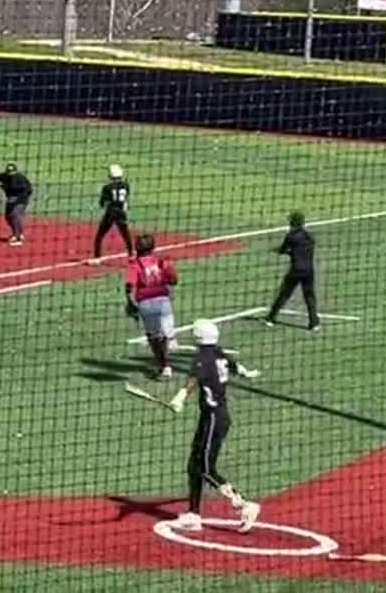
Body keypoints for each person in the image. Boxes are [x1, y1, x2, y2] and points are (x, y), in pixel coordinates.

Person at [165, 319, 262, 533]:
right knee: (194, 464)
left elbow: (194, 379)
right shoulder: (219, 353)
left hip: (213, 419)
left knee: (206, 467)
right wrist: (247, 373)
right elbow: (236, 366)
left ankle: (244, 504)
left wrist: (180, 397)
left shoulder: (203, 357)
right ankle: (193, 514)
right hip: (214, 417)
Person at [124, 234, 179, 380]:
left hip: (146, 303)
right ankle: (169, 341)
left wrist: (129, 303)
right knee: (165, 335)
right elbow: (173, 280)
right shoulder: (161, 261)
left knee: (153, 336)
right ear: (153, 247)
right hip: (163, 300)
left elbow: (130, 285)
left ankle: (164, 366)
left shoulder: (134, 263)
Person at [264, 211, 320, 332]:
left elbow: (284, 249)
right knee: (310, 296)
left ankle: (270, 318)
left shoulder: (291, 236)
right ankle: (314, 323)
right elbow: (302, 251)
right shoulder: (309, 236)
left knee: (284, 294)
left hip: (296, 270)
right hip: (309, 270)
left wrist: (276, 250)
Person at [92, 164, 134, 261]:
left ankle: (97, 257)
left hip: (111, 213)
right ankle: (131, 254)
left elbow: (102, 203)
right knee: (126, 234)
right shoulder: (126, 185)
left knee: (100, 235)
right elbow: (126, 199)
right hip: (121, 213)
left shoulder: (107, 187)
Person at [0, 162, 33, 246]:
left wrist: (17, 199)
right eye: (9, 173)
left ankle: (19, 237)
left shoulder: (20, 179)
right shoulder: (4, 176)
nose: (11, 174)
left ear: (15, 171)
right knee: (8, 217)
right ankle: (15, 233)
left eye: (12, 173)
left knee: (15, 215)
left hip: (21, 199)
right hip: (11, 199)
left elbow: (28, 189)